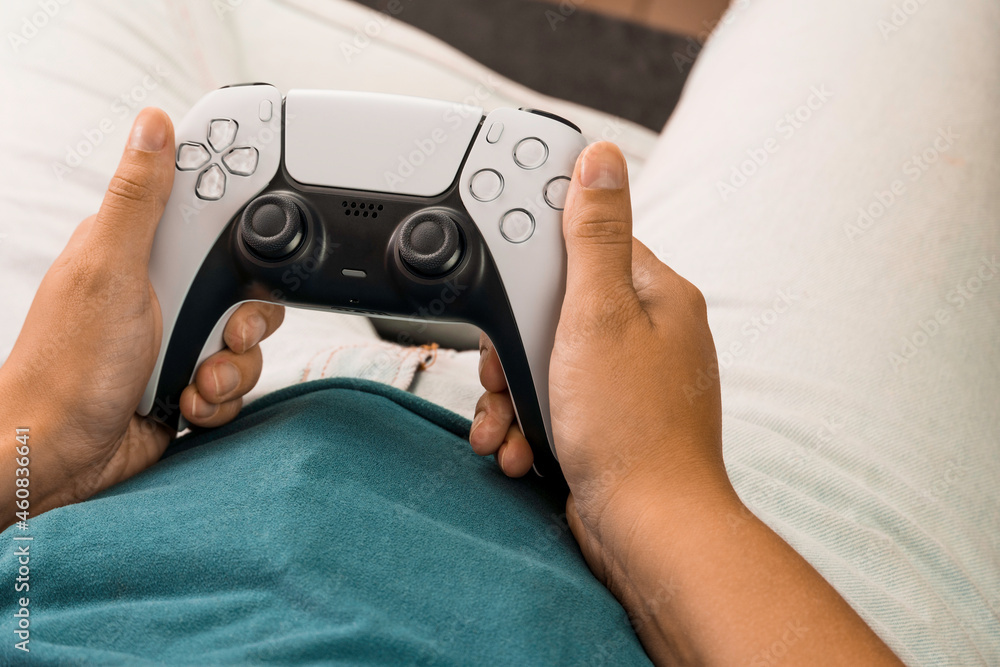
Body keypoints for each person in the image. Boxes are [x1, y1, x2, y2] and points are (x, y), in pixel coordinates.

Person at [1, 0, 997, 664]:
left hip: (127, 464)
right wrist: (654, 498)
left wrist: (39, 440)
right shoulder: (647, 504)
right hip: (675, 574)